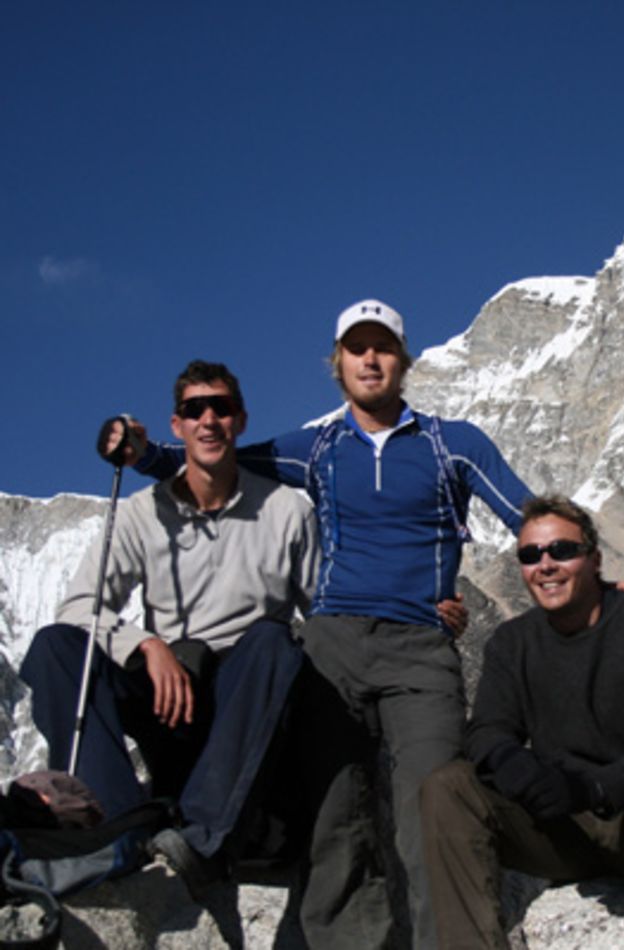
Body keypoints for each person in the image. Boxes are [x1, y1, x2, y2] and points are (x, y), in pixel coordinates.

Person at [126, 300, 533, 948]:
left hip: (420, 651)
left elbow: (527, 516)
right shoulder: (316, 447)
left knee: (433, 810)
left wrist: (584, 561)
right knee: (333, 817)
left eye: (383, 348)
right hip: (331, 645)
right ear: (337, 365)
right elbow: (219, 462)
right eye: (356, 349)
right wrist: (146, 453)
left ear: (404, 361)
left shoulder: (454, 443)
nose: (370, 359)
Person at [19, 360, 316, 897]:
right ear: (176, 426)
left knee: (273, 640)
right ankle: (116, 827)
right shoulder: (140, 513)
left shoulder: (287, 511)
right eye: (193, 410)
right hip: (170, 693)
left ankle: (203, 837)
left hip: (245, 697)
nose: (208, 420)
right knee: (55, 647)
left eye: (220, 408)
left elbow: (325, 610)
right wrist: (146, 645)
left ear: (241, 420)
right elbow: (80, 605)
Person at [419, 495, 624, 950]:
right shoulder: (512, 642)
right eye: (530, 555)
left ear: (595, 559)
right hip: (561, 825)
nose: (545, 565)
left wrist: (594, 789)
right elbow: (488, 730)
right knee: (447, 786)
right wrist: (515, 766)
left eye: (561, 551)